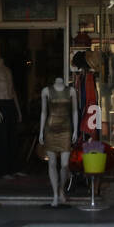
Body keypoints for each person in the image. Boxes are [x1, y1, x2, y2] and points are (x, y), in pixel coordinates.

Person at [39, 75, 78, 207]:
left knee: (65, 165)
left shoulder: (71, 91)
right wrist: (40, 132)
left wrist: (75, 130)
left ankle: (61, 188)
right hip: (50, 128)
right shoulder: (46, 91)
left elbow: (74, 111)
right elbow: (43, 112)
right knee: (52, 163)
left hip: (66, 129)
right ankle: (55, 194)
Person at [0, 57, 23, 178]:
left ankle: (14, 168)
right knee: (2, 138)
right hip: (0, 104)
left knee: (13, 137)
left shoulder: (8, 70)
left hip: (10, 104)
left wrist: (18, 111)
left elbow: (13, 91)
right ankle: (2, 171)